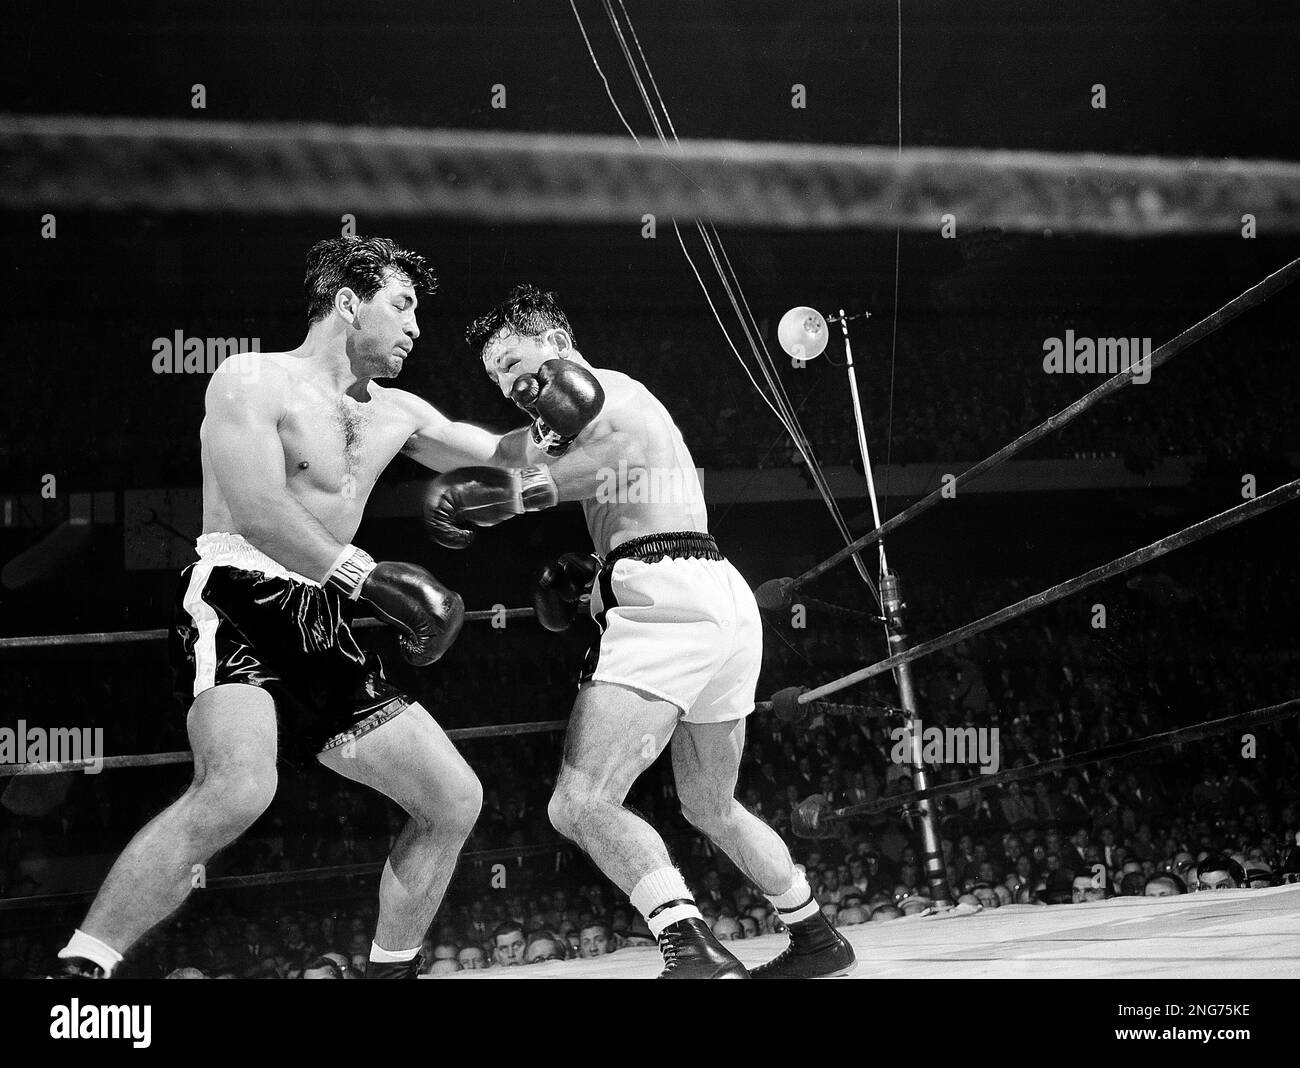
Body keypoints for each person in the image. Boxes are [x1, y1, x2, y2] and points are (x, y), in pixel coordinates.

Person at [57, 238, 601, 980]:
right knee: (238, 788)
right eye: (403, 306)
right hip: (241, 591)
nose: (416, 327)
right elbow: (255, 508)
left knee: (451, 798)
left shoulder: (401, 411)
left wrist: (559, 399)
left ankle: (390, 972)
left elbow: (510, 460)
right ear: (350, 302)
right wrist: (370, 580)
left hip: (323, 610)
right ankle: (81, 971)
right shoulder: (251, 377)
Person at [444, 284, 854, 979]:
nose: (510, 384)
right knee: (710, 802)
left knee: (579, 801)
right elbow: (509, 451)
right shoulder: (576, 418)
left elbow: (598, 463)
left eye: (515, 362)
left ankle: (688, 945)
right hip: (713, 594)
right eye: (495, 377)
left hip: (667, 597)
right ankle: (815, 935)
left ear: (557, 342)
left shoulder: (607, 394)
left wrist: (500, 497)